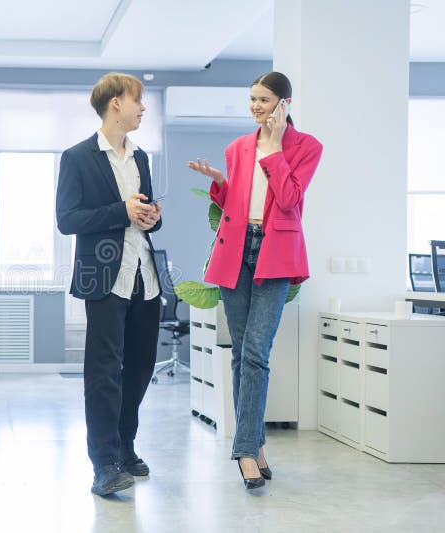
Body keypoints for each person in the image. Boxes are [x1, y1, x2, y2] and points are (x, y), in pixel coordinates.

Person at [187, 71, 323, 490]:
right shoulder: (237, 148)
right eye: (252, 99)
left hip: (275, 255)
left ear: (285, 103)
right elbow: (237, 202)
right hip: (236, 250)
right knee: (240, 354)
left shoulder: (306, 147)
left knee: (256, 354)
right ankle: (255, 445)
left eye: (265, 99)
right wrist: (218, 185)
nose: (256, 107)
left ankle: (245, 450)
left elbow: (288, 200)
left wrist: (277, 147)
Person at [56, 72, 163, 496]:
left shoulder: (141, 158)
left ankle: (125, 445)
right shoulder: (77, 157)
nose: (142, 108)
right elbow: (68, 220)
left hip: (145, 275)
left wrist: (152, 216)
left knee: (140, 367)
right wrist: (122, 211)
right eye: (138, 100)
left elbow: (147, 213)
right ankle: (104, 464)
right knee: (103, 373)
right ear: (115, 103)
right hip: (102, 276)